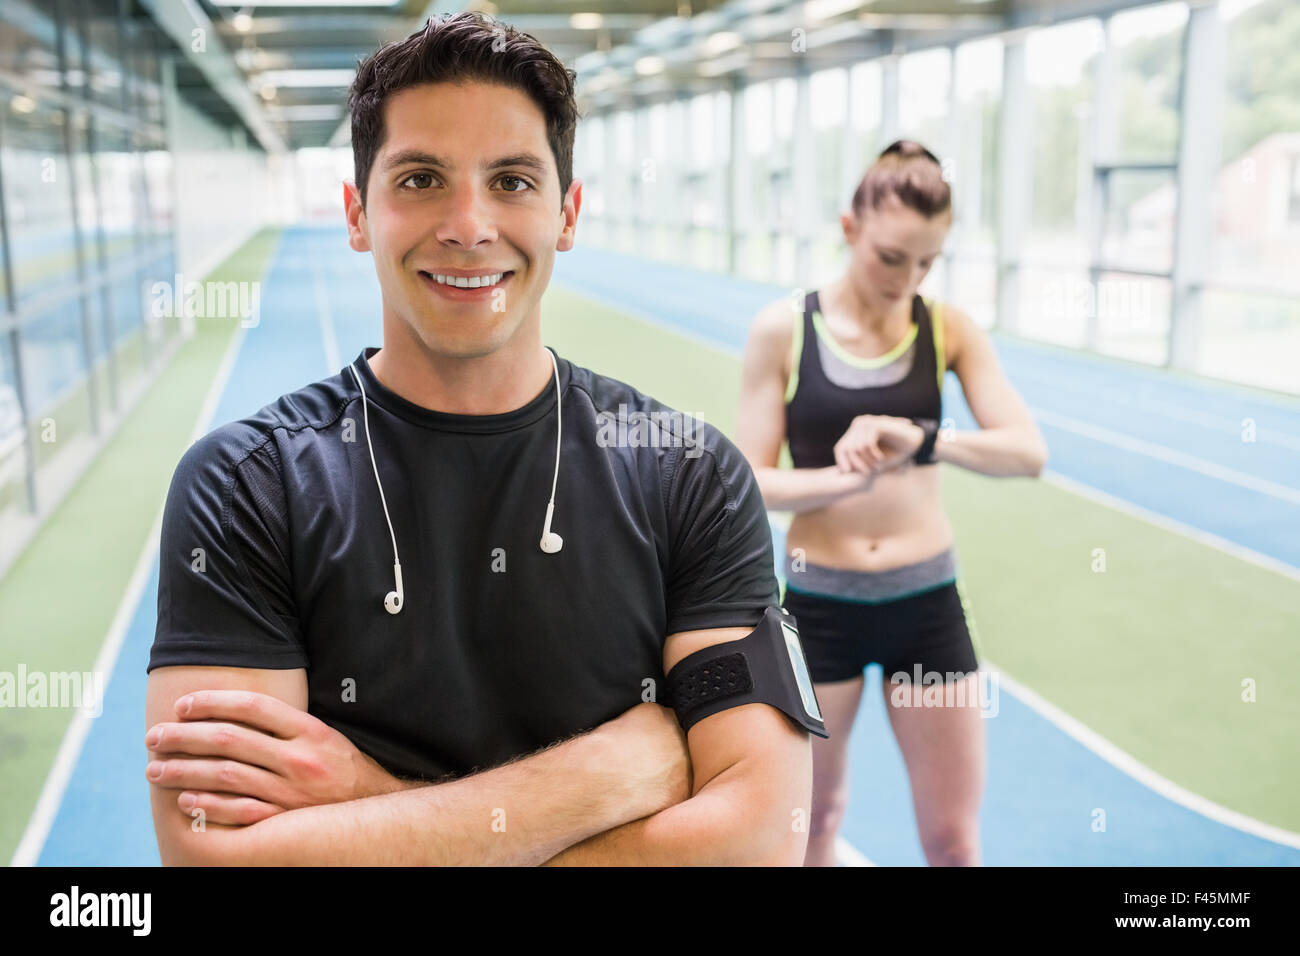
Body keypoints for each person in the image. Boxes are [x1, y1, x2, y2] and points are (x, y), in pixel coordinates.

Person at [143, 12, 821, 866]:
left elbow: (758, 845)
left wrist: (364, 800)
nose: (469, 225)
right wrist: (605, 777)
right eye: (421, 179)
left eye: (512, 181)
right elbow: (214, 858)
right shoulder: (246, 485)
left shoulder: (691, 477)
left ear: (567, 215)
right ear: (357, 214)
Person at [735, 140, 1048, 866]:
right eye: (890, 257)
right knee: (812, 824)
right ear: (849, 229)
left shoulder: (947, 330)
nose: (906, 278)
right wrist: (839, 482)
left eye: (927, 263)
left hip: (925, 607)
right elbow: (748, 478)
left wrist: (924, 440)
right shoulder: (784, 329)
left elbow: (1028, 452)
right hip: (820, 608)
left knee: (950, 839)